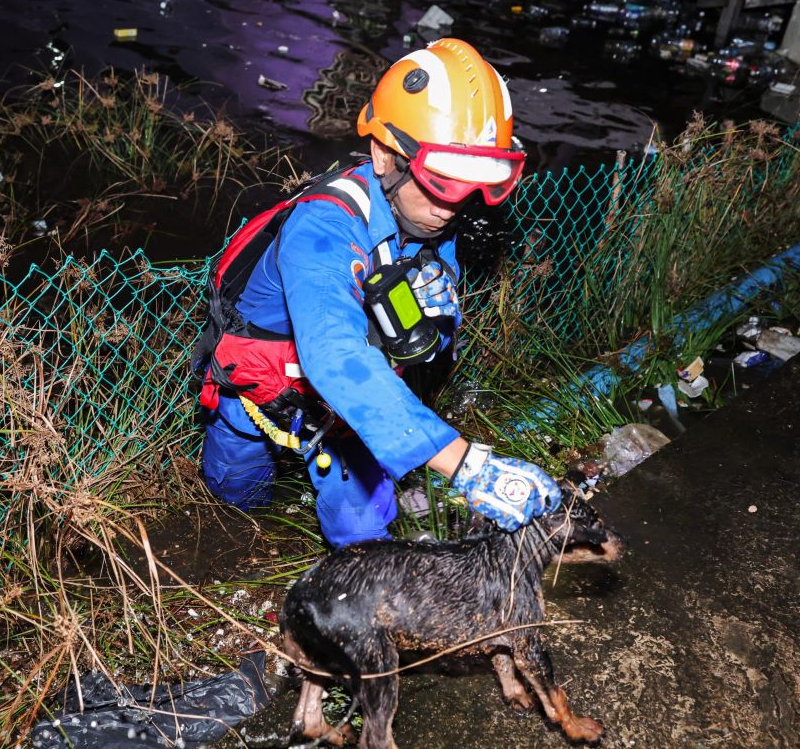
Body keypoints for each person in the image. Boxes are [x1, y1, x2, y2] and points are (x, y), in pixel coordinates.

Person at [194, 38, 560, 548]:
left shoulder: (431, 217)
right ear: (385, 156)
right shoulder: (322, 227)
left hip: (348, 410)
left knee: (365, 537)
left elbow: (421, 316)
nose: (453, 207)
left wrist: (440, 304)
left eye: (473, 186)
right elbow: (334, 353)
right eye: (442, 183)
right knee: (235, 504)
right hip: (258, 388)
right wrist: (465, 462)